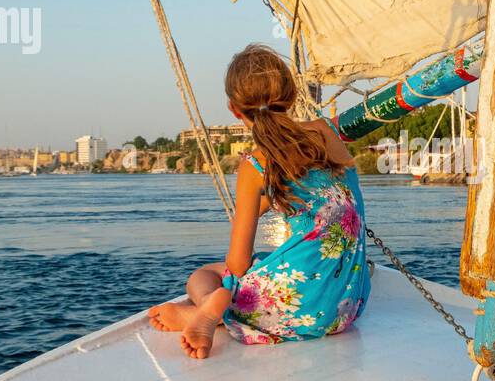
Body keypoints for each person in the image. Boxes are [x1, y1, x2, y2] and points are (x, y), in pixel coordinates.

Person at [149, 44, 370, 358]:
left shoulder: (254, 166)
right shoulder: (325, 132)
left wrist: (251, 209)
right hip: (345, 309)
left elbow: (238, 263)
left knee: (205, 276)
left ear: (234, 110)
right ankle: (216, 311)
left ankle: (203, 313)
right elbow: (324, 197)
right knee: (280, 262)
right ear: (292, 95)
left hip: (293, 312)